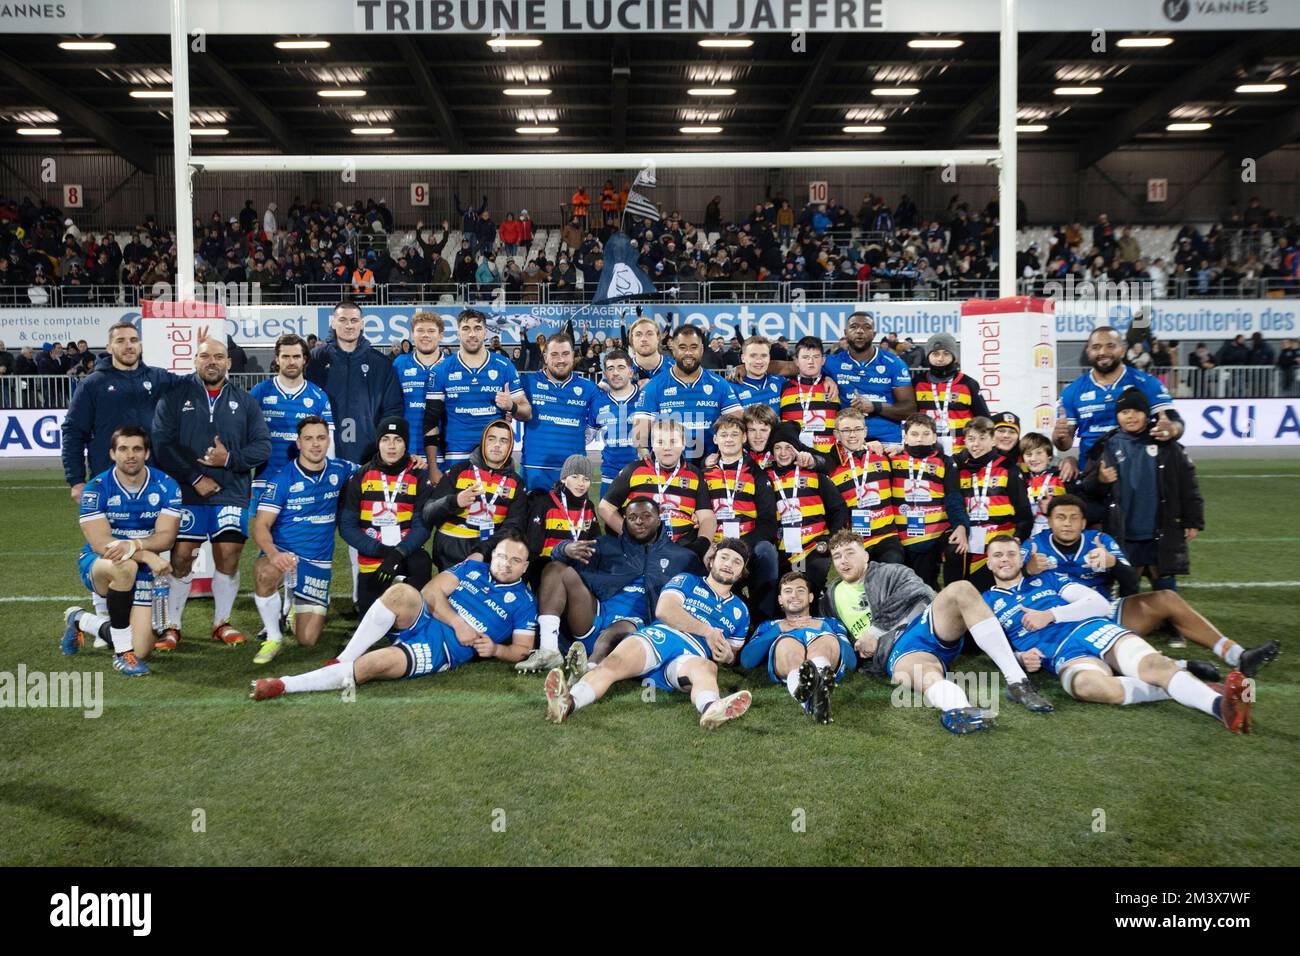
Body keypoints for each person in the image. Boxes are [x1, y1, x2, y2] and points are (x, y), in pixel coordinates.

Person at [982, 537, 1251, 733]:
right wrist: (1020, 656)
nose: (1005, 559)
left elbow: (1098, 603)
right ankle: (1184, 683)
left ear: (1021, 557)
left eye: (1011, 553)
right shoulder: (985, 602)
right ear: (988, 562)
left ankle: (1219, 706)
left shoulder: (1049, 579)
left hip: (1094, 629)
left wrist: (1051, 615)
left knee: (1152, 666)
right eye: (998, 555)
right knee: (1088, 687)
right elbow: (994, 645)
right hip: (1062, 654)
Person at [251, 530, 538, 701]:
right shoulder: (471, 569)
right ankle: (344, 658)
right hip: (429, 616)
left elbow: (522, 650)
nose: (505, 563)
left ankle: (284, 684)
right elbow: (429, 592)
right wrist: (458, 622)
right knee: (401, 591)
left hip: (443, 648)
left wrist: (496, 649)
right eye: (501, 556)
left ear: (525, 566)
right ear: (493, 555)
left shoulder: (525, 603)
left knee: (373, 665)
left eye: (514, 560)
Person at [1024, 495, 1280, 677]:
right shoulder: (1035, 544)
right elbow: (1009, 582)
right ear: (1049, 521)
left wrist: (1114, 563)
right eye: (1060, 518)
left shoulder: (1099, 539)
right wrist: (1028, 568)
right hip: (1058, 623)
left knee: (1166, 598)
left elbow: (1132, 584)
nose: (1067, 523)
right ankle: (1175, 666)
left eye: (1074, 518)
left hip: (1103, 614)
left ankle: (1237, 655)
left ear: (1083, 523)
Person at [822, 531, 1052, 734]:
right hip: (898, 651)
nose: (843, 561)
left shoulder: (891, 572)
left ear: (866, 555)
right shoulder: (831, 594)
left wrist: (874, 632)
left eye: (850, 553)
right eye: (837, 556)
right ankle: (958, 710)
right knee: (927, 676)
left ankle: (1017, 681)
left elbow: (922, 596)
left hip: (926, 624)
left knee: (961, 588)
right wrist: (859, 650)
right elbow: (837, 632)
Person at [543, 540, 754, 730]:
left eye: (736, 562)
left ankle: (711, 708)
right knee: (612, 664)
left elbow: (733, 653)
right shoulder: (687, 581)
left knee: (707, 667)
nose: (728, 564)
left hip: (690, 656)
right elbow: (665, 610)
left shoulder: (740, 611)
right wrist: (706, 630)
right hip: (659, 637)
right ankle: (568, 703)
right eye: (724, 557)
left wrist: (728, 656)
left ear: (741, 571)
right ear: (712, 560)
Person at [151, 336, 271, 649]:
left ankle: (222, 622)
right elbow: (161, 444)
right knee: (181, 555)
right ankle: (172, 626)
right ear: (196, 360)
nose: (212, 362)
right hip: (185, 492)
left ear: (229, 362)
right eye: (206, 356)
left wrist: (229, 459)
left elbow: (263, 446)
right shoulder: (176, 396)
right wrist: (194, 477)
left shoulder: (245, 401)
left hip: (231, 491)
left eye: (219, 356)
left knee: (228, 554)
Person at [517, 497, 701, 674]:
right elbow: (560, 557)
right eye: (632, 517)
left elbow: (704, 591)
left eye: (646, 516)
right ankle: (549, 650)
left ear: (658, 520)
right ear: (625, 521)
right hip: (593, 619)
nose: (639, 521)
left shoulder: (682, 557)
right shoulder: (607, 546)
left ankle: (589, 669)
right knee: (555, 568)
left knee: (612, 634)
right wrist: (564, 548)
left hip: (637, 630)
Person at [61, 426, 180, 676]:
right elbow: (100, 542)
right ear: (112, 453)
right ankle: (122, 655)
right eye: (123, 449)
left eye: (137, 448)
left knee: (144, 649)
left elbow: (167, 537)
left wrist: (135, 545)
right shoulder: (96, 488)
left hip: (142, 568)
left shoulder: (167, 485)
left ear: (147, 453)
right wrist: (145, 554)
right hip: (100, 563)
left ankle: (80, 619)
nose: (130, 455)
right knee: (127, 567)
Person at [248, 416, 355, 665]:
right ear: (298, 443)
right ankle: (273, 636)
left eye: (321, 438)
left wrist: (411, 460)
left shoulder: (341, 470)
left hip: (318, 564)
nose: (315, 444)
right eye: (308, 439)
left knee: (307, 640)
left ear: (329, 441)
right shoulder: (282, 479)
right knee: (265, 573)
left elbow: (377, 467)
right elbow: (261, 525)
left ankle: (293, 604)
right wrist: (274, 554)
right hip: (285, 556)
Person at [1080, 387, 1204, 593]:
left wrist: (1193, 520)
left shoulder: (1167, 445)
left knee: (1164, 582)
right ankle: (1130, 622)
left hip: (1160, 529)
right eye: (1125, 412)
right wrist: (1099, 480)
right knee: (1129, 584)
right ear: (1117, 416)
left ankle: (1168, 621)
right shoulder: (1105, 445)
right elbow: (1086, 489)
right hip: (1124, 530)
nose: (1131, 416)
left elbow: (1187, 483)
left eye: (1137, 411)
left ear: (1147, 414)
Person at [63, 320, 181, 505]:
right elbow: (73, 432)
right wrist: (76, 480)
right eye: (120, 341)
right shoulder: (91, 385)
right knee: (108, 535)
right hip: (108, 482)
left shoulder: (159, 378)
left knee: (160, 534)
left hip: (155, 480)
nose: (128, 345)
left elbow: (194, 385)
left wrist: (205, 358)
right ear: (109, 348)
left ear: (140, 346)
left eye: (133, 340)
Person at [1055, 326, 1183, 480]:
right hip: (1092, 476)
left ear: (1122, 350)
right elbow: (1064, 444)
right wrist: (1059, 437)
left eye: (1110, 346)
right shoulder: (1072, 391)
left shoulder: (1147, 383)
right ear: (1088, 352)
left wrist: (1172, 429)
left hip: (1138, 474)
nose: (1102, 352)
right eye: (1096, 347)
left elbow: (1176, 422)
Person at [337, 417, 434, 616]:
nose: (391, 446)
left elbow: (422, 526)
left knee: (421, 561)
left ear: (405, 444)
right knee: (371, 620)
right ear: (378, 442)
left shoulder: (419, 476)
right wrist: (379, 550)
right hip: (373, 554)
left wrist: (398, 552)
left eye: (397, 439)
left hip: (405, 553)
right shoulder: (360, 477)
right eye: (385, 439)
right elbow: (347, 526)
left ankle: (413, 614)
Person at [424, 308, 531, 483]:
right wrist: (434, 468)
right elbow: (430, 421)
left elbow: (527, 413)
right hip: (457, 456)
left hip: (495, 457)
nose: (472, 334)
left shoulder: (504, 366)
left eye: (477, 328)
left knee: (495, 510)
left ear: (486, 332)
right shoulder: (441, 370)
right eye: (466, 328)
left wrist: (511, 405)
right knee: (458, 509)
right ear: (458, 332)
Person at [741, 571, 855, 724]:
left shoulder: (830, 623)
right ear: (780, 600)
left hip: (824, 652)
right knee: (789, 645)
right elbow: (747, 660)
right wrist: (779, 629)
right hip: (789, 655)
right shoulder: (770, 626)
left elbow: (852, 661)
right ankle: (815, 697)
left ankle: (814, 692)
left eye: (800, 590)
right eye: (788, 591)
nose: (794, 595)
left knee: (825, 640)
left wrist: (826, 628)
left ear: (810, 597)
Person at [702, 414, 779, 623]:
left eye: (734, 434)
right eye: (723, 435)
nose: (729, 439)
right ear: (715, 439)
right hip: (715, 544)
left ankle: (763, 621)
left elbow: (768, 522)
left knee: (766, 551)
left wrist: (740, 547)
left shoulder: (757, 474)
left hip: (747, 544)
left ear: (744, 438)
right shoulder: (704, 473)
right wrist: (710, 545)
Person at [423, 418, 527, 572]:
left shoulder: (516, 483)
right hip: (451, 550)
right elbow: (428, 513)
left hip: (489, 552)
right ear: (483, 441)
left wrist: (482, 551)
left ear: (510, 446)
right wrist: (455, 501)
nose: (497, 445)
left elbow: (514, 527)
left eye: (504, 441)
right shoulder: (458, 471)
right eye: (492, 439)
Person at [600, 418, 714, 553]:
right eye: (660, 442)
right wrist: (629, 535)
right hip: (640, 549)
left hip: (682, 548)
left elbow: (707, 516)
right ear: (652, 445)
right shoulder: (633, 470)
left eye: (673, 441)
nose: (667, 447)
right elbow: (605, 507)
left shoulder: (695, 474)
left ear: (683, 444)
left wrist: (702, 543)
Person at [632, 323, 742, 465]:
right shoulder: (654, 386)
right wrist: (645, 455)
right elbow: (640, 431)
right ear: (673, 349)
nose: (688, 353)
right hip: (670, 471)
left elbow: (738, 423)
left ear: (702, 350)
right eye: (682, 347)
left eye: (694, 347)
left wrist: (724, 454)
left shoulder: (719, 384)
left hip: (709, 469)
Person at [946, 416, 1032, 591]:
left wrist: (1016, 538)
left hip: (999, 539)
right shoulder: (958, 467)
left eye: (982, 438)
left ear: (993, 440)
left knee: (984, 590)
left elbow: (1024, 514)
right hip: (969, 539)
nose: (975, 444)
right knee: (953, 560)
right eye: (971, 439)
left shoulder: (1008, 468)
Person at [765, 423, 847, 598]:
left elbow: (838, 509)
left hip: (813, 547)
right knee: (783, 597)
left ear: (797, 449)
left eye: (789, 447)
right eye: (777, 447)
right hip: (783, 550)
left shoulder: (814, 474)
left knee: (808, 593)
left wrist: (830, 538)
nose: (783, 452)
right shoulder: (765, 477)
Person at [889, 413, 968, 588]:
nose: (920, 439)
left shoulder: (945, 462)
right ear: (906, 437)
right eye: (914, 434)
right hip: (900, 535)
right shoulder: (892, 460)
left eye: (926, 434)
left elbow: (954, 498)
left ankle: (950, 601)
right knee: (903, 587)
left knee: (928, 584)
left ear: (934, 437)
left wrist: (961, 526)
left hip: (935, 532)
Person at [249, 334, 334, 496]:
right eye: (285, 356)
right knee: (260, 523)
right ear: (277, 360)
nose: (291, 362)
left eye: (296, 356)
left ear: (304, 360)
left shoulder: (318, 396)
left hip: (304, 481)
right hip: (265, 480)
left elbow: (329, 442)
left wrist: (325, 476)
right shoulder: (260, 391)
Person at [520, 333, 601, 492]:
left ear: (573, 355)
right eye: (554, 354)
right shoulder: (527, 383)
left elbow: (603, 412)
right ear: (545, 356)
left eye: (565, 354)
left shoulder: (588, 388)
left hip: (573, 473)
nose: (560, 360)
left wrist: (591, 431)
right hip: (534, 468)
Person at [825, 406, 902, 564]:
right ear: (836, 434)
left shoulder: (883, 456)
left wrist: (902, 447)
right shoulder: (831, 467)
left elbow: (920, 454)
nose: (852, 435)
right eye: (846, 430)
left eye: (857, 429)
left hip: (886, 537)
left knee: (892, 565)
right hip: (855, 543)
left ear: (865, 431)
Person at [910, 332, 988, 456]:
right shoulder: (917, 383)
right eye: (935, 354)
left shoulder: (968, 383)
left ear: (954, 356)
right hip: (927, 452)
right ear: (928, 356)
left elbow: (984, 419)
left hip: (962, 453)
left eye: (946, 353)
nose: (940, 358)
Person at [390, 311, 445, 466]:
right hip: (409, 450)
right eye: (420, 330)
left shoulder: (453, 365)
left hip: (444, 452)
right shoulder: (399, 364)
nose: (425, 335)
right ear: (412, 334)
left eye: (431, 331)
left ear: (440, 335)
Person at [588, 349, 640, 498]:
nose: (615, 373)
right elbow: (587, 436)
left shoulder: (646, 396)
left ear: (630, 372)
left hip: (642, 475)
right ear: (605, 375)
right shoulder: (598, 402)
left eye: (621, 367)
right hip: (610, 477)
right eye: (611, 369)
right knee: (609, 520)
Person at [777, 336, 841, 454]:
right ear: (796, 361)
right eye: (805, 357)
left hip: (828, 458)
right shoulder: (783, 388)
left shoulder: (835, 388)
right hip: (793, 457)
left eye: (816, 357)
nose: (811, 361)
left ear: (823, 360)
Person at [730, 335, 785, 414]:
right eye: (753, 356)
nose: (759, 361)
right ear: (743, 358)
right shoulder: (731, 388)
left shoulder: (780, 382)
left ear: (769, 357)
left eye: (764, 355)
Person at [625, 313, 673, 382]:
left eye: (649, 334)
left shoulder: (676, 370)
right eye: (638, 334)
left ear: (658, 337)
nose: (644, 339)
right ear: (632, 340)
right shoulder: (623, 372)